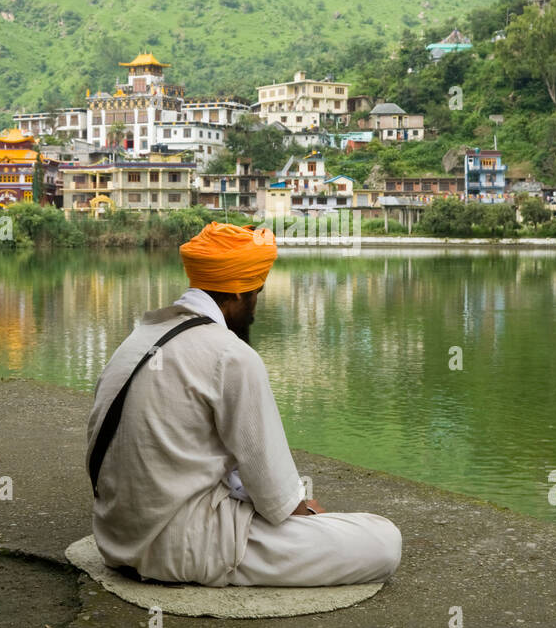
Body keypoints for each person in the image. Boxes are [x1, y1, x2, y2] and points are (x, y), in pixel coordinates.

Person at [84, 221, 402, 587]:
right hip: (182, 548)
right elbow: (276, 496)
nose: (254, 308)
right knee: (382, 540)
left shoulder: (140, 336)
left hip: (116, 538)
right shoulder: (231, 354)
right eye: (255, 294)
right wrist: (311, 515)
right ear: (237, 294)